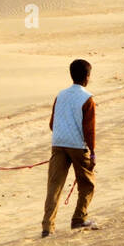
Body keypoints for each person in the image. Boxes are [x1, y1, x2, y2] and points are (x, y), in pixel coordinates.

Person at [42, 59, 98, 236]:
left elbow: (52, 123)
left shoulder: (60, 95)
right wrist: (93, 152)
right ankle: (79, 218)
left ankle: (47, 228)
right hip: (77, 145)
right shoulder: (87, 98)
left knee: (54, 186)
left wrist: (62, 135)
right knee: (87, 183)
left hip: (58, 143)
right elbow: (89, 130)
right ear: (87, 77)